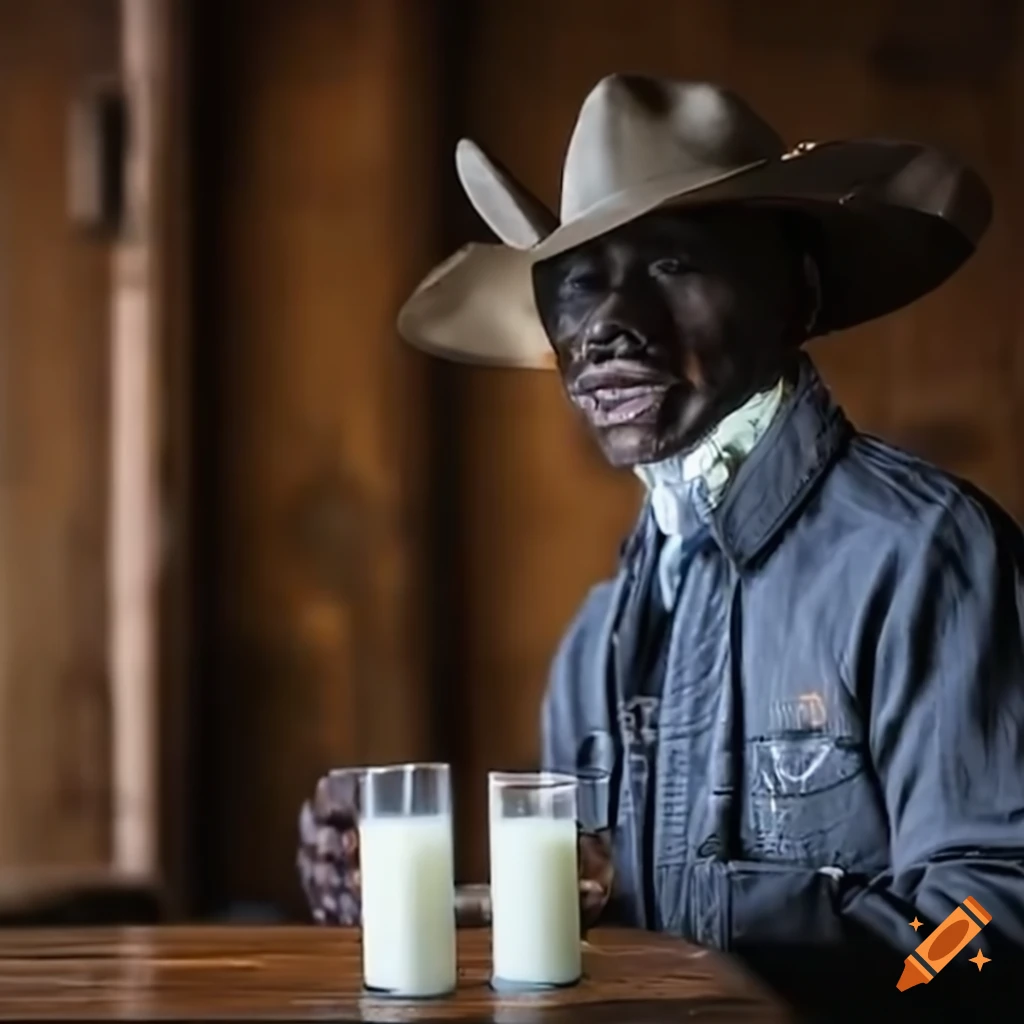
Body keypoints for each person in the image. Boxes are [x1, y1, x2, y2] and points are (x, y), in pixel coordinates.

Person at [298, 76, 1024, 1015]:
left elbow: (993, 933)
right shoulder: (595, 644)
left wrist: (735, 975)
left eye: (672, 266)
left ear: (795, 293)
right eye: (574, 286)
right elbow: (603, 926)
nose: (604, 327)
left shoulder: (927, 559)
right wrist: (400, 898)